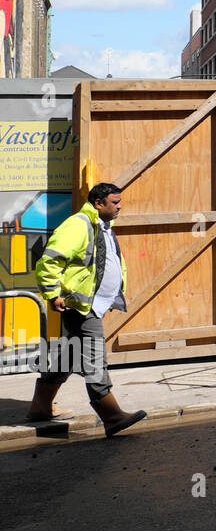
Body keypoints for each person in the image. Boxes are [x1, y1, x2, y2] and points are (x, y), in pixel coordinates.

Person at [26, 182, 148, 437]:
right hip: (80, 307)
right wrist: (52, 293)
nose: (120, 206)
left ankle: (40, 407)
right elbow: (50, 260)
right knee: (94, 360)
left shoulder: (102, 226)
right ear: (98, 203)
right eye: (115, 202)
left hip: (94, 304)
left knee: (69, 355)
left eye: (119, 201)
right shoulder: (78, 224)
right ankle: (112, 416)